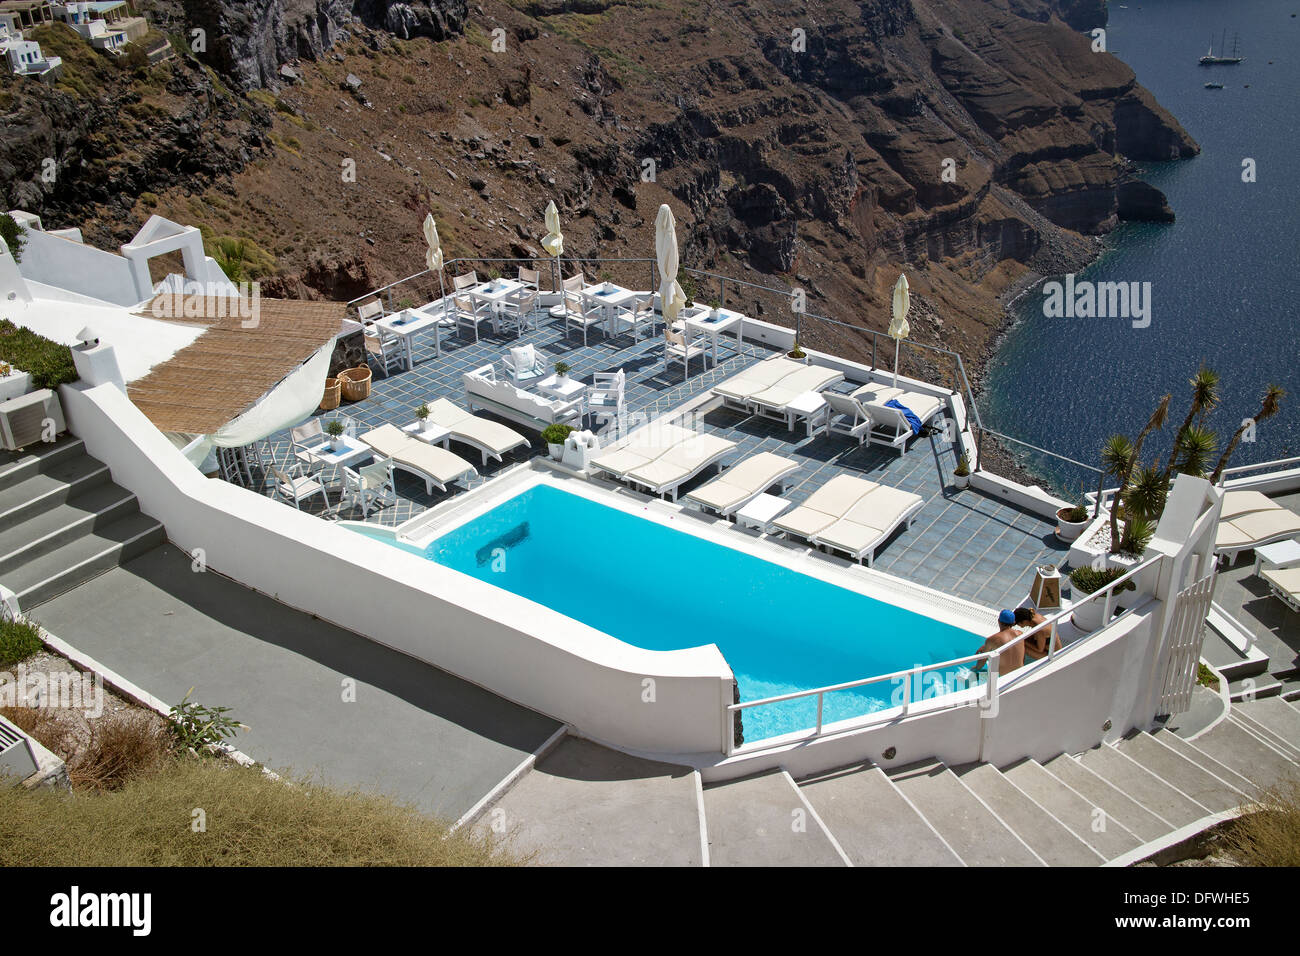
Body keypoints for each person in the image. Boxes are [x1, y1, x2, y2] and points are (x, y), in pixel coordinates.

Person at [974, 609, 1024, 675]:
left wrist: (975, 668)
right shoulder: (1020, 634)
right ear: (1014, 623)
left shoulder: (992, 639)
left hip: (1003, 677)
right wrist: (985, 646)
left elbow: (982, 661)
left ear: (998, 621)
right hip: (1020, 673)